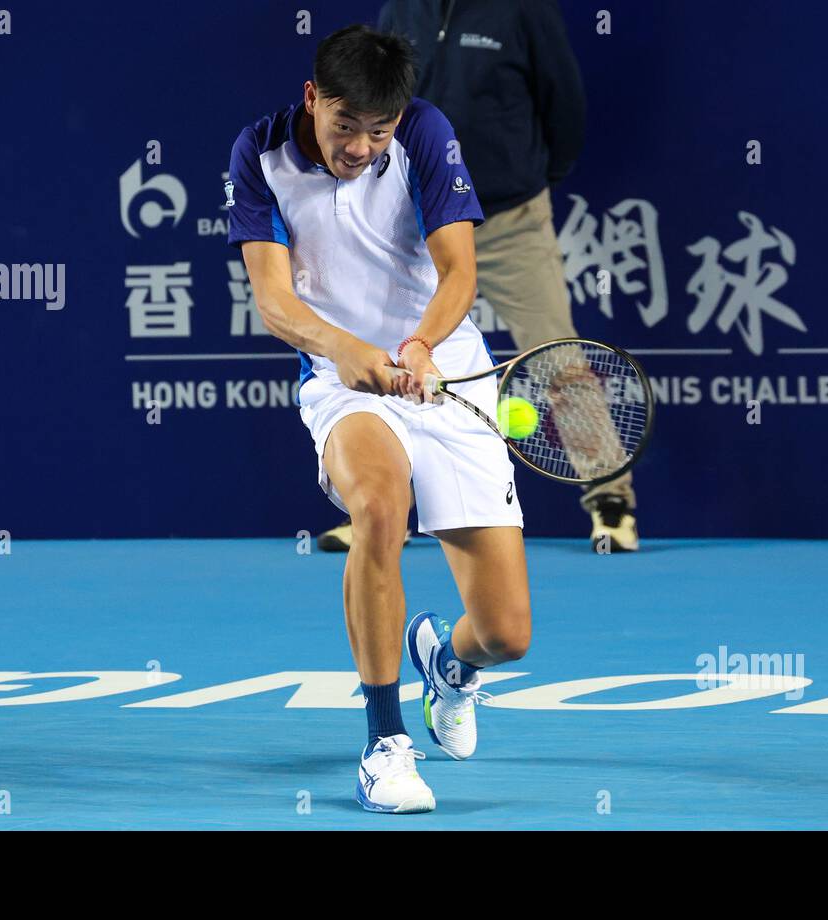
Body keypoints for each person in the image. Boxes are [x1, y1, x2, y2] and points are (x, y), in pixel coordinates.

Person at [228, 25, 531, 814]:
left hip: (444, 369)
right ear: (311, 98)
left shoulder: (426, 132)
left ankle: (447, 668)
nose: (361, 147)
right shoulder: (257, 155)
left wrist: (422, 345)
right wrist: (346, 349)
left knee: (505, 634)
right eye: (344, 126)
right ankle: (385, 744)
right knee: (378, 507)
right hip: (345, 383)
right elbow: (274, 301)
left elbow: (460, 269)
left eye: (378, 131)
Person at [317, 0, 639, 555]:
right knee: (388, 357)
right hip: (413, 225)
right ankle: (377, 504)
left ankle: (610, 499)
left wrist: (526, 177)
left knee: (557, 357)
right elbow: (375, 100)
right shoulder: (402, 9)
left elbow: (565, 106)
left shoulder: (523, 11)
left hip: (509, 217)